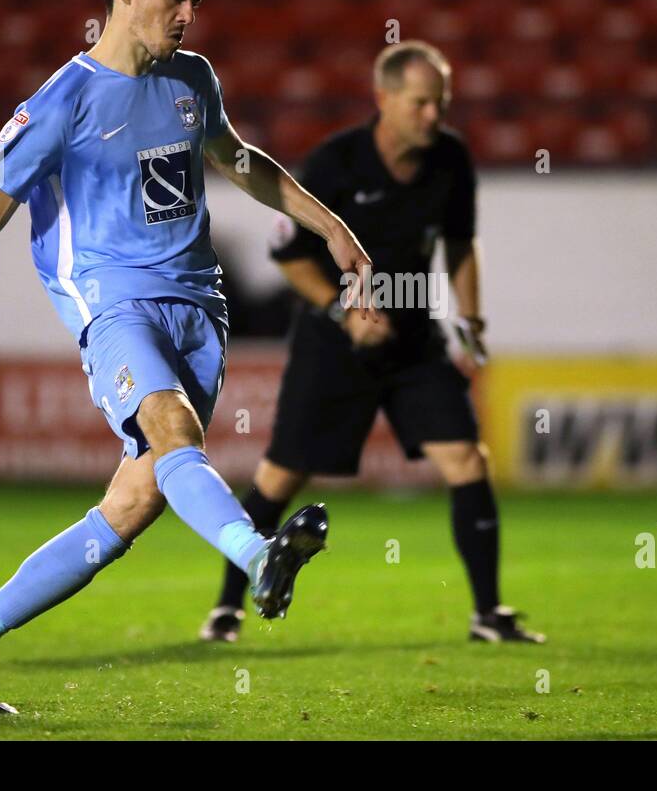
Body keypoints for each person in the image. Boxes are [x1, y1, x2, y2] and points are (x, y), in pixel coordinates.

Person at [0, 0, 373, 715]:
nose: (190, 11)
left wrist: (326, 221)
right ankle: (258, 556)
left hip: (201, 308)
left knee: (129, 507)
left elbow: (238, 159)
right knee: (172, 431)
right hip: (114, 303)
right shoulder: (62, 104)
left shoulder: (192, 78)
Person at [198, 40, 545, 645]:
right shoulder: (335, 163)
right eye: (420, 104)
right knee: (281, 476)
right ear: (383, 99)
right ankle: (228, 607)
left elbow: (461, 244)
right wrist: (342, 310)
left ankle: (488, 613)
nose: (433, 117)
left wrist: (472, 314)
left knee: (467, 460)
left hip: (412, 337)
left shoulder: (451, 160)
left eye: (440, 104)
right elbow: (289, 256)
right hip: (332, 342)